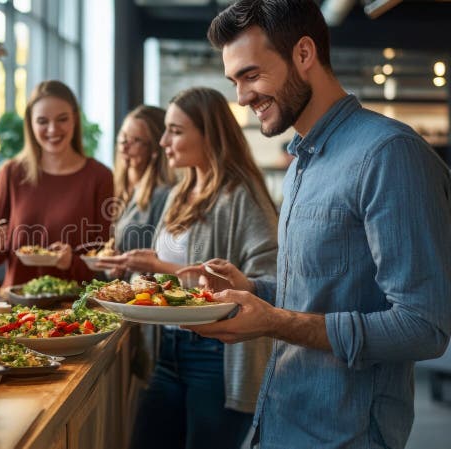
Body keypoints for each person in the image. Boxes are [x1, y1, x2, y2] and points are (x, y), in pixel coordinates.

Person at [179, 1, 451, 448]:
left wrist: (275, 322)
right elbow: (317, 293)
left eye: (251, 75)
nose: (242, 97)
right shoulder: (303, 159)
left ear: (304, 54)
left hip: (345, 435)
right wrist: (255, 291)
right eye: (235, 81)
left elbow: (424, 326)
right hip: (279, 419)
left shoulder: (389, 155)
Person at [101, 87, 278, 449]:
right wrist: (138, 270)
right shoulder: (181, 192)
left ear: (209, 134)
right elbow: (174, 276)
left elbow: (271, 280)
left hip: (217, 357)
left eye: (176, 131)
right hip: (169, 350)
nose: (164, 141)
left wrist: (161, 265)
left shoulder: (241, 196)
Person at [0, 80, 113, 287]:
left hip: (77, 308)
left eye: (62, 119)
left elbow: (104, 259)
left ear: (75, 120)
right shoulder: (12, 173)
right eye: (42, 121)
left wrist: (72, 262)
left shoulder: (100, 177)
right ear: (30, 124)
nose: (52, 129)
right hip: (18, 307)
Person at [109, 105, 176, 272]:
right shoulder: (113, 188)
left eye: (136, 140)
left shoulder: (163, 195)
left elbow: (161, 257)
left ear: (155, 148)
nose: (124, 146)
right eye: (123, 137)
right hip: (111, 289)